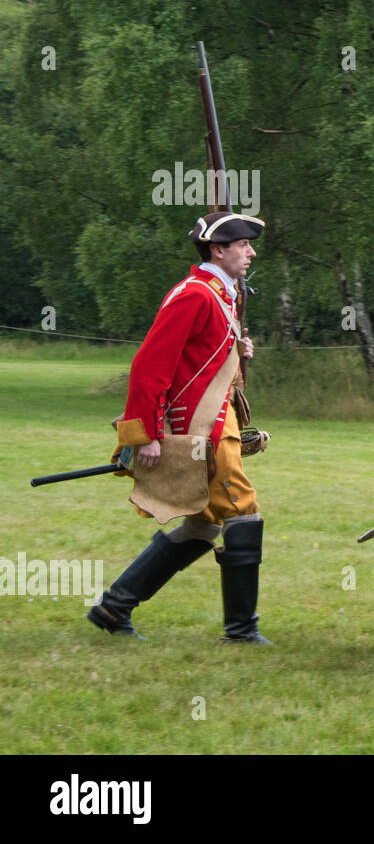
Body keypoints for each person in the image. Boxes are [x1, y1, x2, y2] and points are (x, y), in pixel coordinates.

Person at [88, 211, 271, 644]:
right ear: (217, 250)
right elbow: (149, 366)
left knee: (205, 525)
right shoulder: (194, 295)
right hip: (199, 430)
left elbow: (202, 359)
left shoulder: (221, 294)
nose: (251, 252)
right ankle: (242, 631)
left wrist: (238, 349)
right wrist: (145, 434)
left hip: (216, 425)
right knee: (243, 514)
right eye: (243, 244)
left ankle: (115, 607)